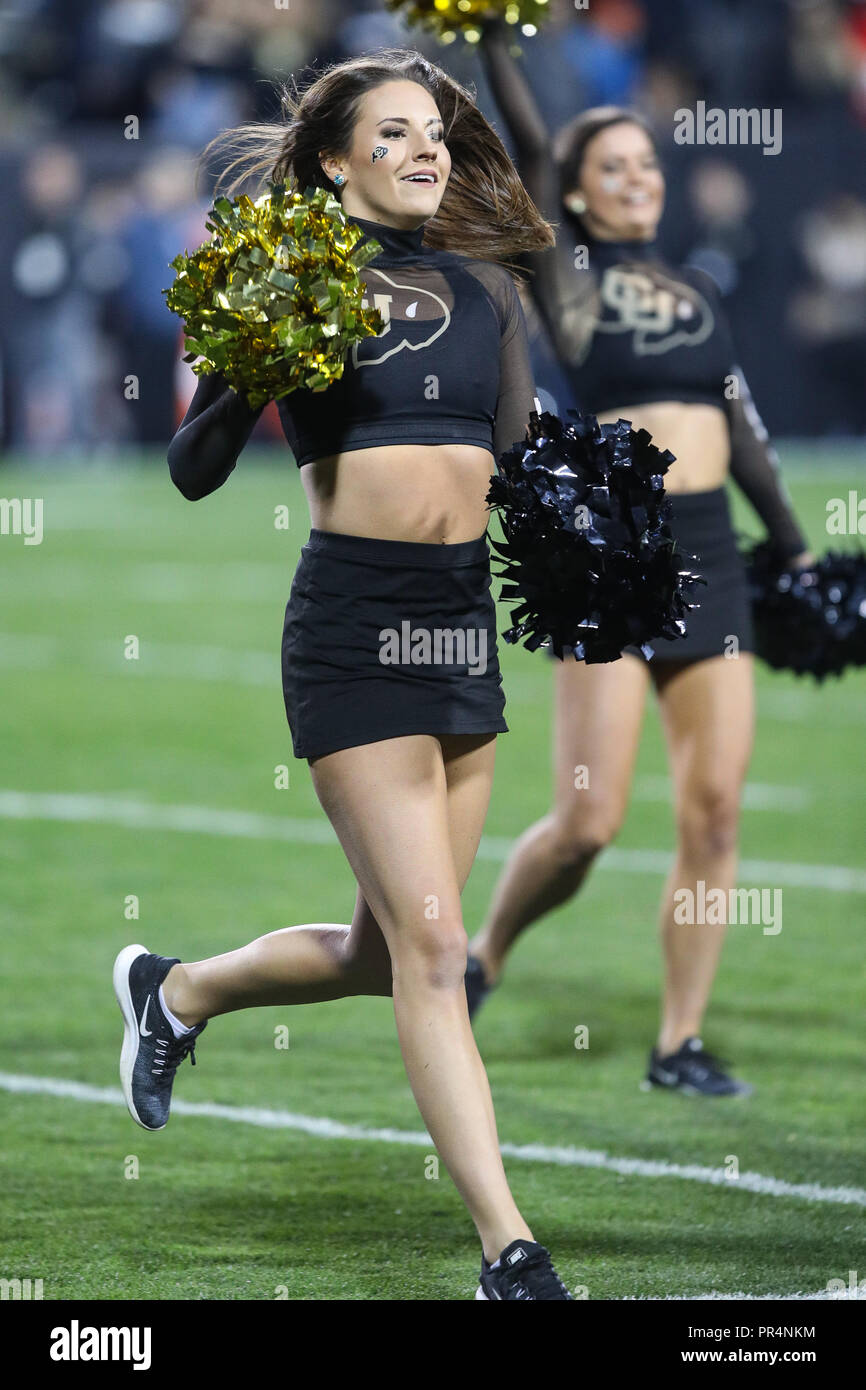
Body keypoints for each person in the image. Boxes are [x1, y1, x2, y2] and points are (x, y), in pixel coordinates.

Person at [113, 45, 575, 1301]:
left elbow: (526, 470)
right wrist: (254, 359)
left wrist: (600, 543)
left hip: (459, 628)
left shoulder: (488, 290)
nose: (427, 150)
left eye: (435, 131)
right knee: (436, 955)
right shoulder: (292, 277)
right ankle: (508, 1250)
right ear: (332, 159)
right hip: (354, 625)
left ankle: (178, 989)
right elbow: (194, 467)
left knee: (390, 951)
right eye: (395, 133)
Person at [467, 17, 812, 1096]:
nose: (636, 179)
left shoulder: (695, 292)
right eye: (610, 167)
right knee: (588, 822)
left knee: (712, 811)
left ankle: (678, 1039)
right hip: (616, 549)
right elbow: (525, 144)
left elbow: (741, 427)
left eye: (645, 163)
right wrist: (487, 37)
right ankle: (481, 955)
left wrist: (794, 547)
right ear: (572, 192)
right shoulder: (563, 279)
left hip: (711, 543)